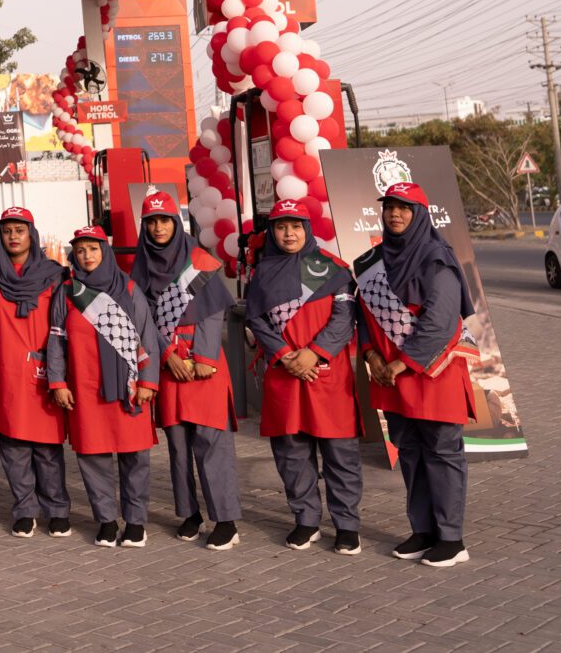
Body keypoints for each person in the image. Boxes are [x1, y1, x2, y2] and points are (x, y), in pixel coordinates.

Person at [356, 181, 476, 568]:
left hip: (432, 372)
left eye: (404, 208)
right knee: (409, 451)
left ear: (420, 214)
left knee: (442, 452)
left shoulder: (436, 259)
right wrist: (371, 354)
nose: (395, 213)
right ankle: (423, 530)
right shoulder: (373, 261)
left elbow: (440, 322)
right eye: (390, 206)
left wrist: (400, 362)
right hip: (391, 375)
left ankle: (451, 539)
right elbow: (362, 314)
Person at [246, 195, 362, 555]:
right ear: (272, 232)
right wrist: (284, 355)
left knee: (339, 453)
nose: (289, 234)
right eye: (281, 227)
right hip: (284, 375)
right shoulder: (261, 273)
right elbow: (257, 321)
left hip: (328, 375)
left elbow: (344, 319)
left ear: (307, 229)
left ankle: (346, 525)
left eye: (295, 226)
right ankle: (306, 520)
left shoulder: (333, 268)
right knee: (291, 453)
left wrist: (314, 353)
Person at [133, 192, 242, 551]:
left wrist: (204, 357)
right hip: (169, 367)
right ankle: (190, 513)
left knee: (211, 443)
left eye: (164, 220)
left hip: (203, 365)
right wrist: (166, 355)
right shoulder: (141, 266)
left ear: (176, 223)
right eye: (151, 221)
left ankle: (225, 520)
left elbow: (213, 311)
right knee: (178, 447)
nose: (158, 227)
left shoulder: (199, 260)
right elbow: (142, 321)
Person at [49, 226, 160, 549]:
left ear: (105, 251)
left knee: (135, 456)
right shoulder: (67, 292)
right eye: (81, 250)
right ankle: (107, 521)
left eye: (93, 249)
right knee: (92, 456)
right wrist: (58, 381)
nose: (87, 256)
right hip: (85, 388)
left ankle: (136, 522)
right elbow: (56, 341)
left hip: (129, 386)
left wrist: (148, 381)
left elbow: (147, 335)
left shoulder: (128, 287)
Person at [0, 206, 72, 538]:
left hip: (44, 371)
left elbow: (61, 327)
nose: (13, 237)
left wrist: (59, 373)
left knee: (47, 447)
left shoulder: (55, 275)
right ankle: (25, 510)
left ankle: (57, 509)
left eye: (19, 230)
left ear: (31, 234)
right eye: (6, 231)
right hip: (6, 371)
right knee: (14, 445)